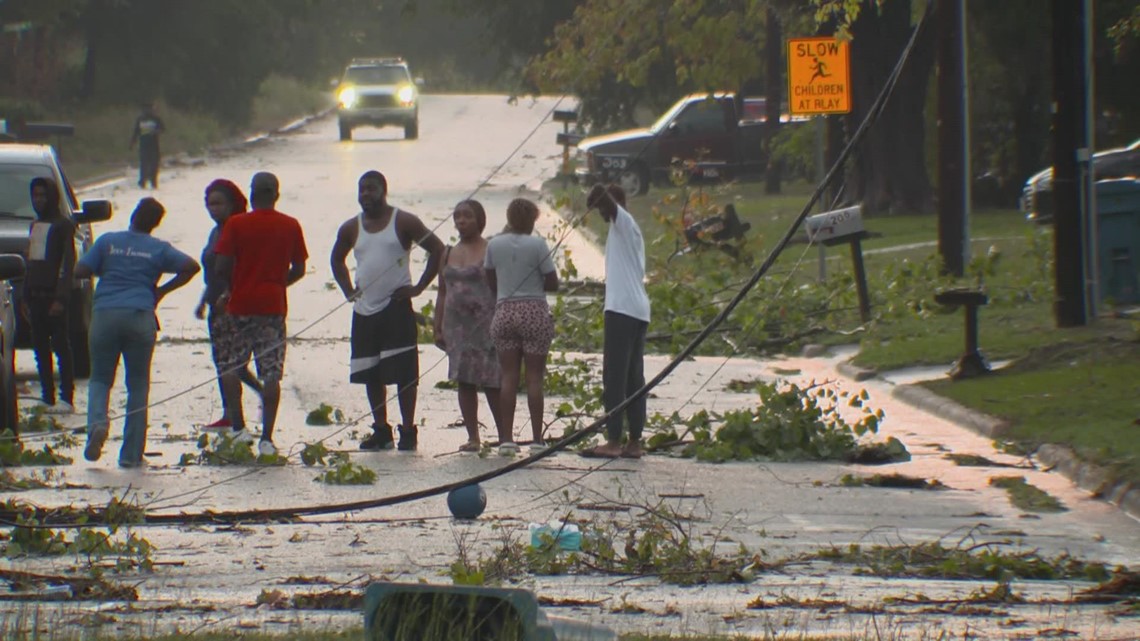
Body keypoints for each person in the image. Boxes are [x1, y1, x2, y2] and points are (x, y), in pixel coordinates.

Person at [75, 198, 200, 467]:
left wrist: (104, 267)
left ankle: (97, 426)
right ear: (155, 224)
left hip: (106, 315)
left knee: (100, 378)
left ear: (133, 215)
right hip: (140, 315)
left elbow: (80, 269)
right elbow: (191, 266)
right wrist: (161, 291)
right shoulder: (158, 249)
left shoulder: (108, 242)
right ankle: (131, 454)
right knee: (138, 384)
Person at [331, 170, 444, 452]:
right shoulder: (350, 227)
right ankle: (381, 429)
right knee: (371, 373)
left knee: (405, 373)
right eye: (361, 190)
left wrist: (418, 287)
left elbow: (438, 250)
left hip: (396, 308)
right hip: (365, 310)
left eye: (371, 189)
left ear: (384, 190)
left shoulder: (403, 221)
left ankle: (408, 430)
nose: (365, 195)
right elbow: (337, 260)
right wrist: (348, 289)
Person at [213, 172, 308, 457]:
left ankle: (239, 428)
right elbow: (300, 269)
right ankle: (266, 438)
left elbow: (220, 267)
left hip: (239, 305)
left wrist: (234, 286)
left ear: (252, 195)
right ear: (276, 195)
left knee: (230, 365)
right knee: (271, 374)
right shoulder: (290, 225)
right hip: (273, 309)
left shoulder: (236, 224)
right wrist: (279, 284)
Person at [484, 198, 559, 455]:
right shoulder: (538, 244)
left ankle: (506, 438)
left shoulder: (494, 243)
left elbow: (490, 278)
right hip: (534, 312)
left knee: (508, 377)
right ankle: (537, 439)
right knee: (534, 377)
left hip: (504, 312)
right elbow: (552, 282)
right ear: (532, 219)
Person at [582, 183, 650, 459]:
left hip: (622, 309)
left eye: (601, 208)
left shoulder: (624, 222)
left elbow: (603, 196)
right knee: (634, 377)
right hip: (637, 309)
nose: (600, 212)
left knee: (615, 376)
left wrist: (596, 195)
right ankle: (634, 440)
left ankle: (613, 440)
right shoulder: (624, 229)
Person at [432, 200, 502, 452]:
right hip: (456, 326)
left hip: (485, 323)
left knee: (493, 380)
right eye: (457, 216)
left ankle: (505, 436)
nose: (461, 221)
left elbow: (501, 286)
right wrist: (437, 324)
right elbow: (442, 291)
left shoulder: (490, 249)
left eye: (467, 216)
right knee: (464, 380)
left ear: (480, 220)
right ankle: (473, 437)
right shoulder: (448, 252)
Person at [194, 179, 263, 429]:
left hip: (235, 305)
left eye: (218, 203)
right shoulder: (216, 232)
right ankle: (230, 412)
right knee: (223, 362)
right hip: (215, 304)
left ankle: (244, 412)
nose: (213, 209)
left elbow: (238, 269)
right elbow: (212, 272)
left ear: (233, 203)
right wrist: (203, 301)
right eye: (209, 204)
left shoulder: (239, 229)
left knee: (232, 364)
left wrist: (229, 295)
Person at [22, 177, 76, 416]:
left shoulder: (63, 225)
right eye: (35, 195)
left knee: (61, 347)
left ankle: (66, 397)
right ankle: (47, 396)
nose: (39, 200)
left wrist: (61, 298)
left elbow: (67, 264)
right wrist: (25, 295)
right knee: (40, 347)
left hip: (55, 297)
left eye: (43, 195)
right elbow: (31, 263)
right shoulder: (35, 225)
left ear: (52, 197)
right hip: (35, 296)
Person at [129, 101, 165, 189]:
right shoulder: (140, 120)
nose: (148, 111)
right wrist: (132, 142)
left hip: (154, 145)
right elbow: (136, 132)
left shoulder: (156, 119)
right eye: (146, 109)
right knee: (144, 164)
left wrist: (156, 132)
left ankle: (153, 181)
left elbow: (163, 129)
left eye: (150, 109)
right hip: (143, 145)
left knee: (154, 163)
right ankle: (143, 181)